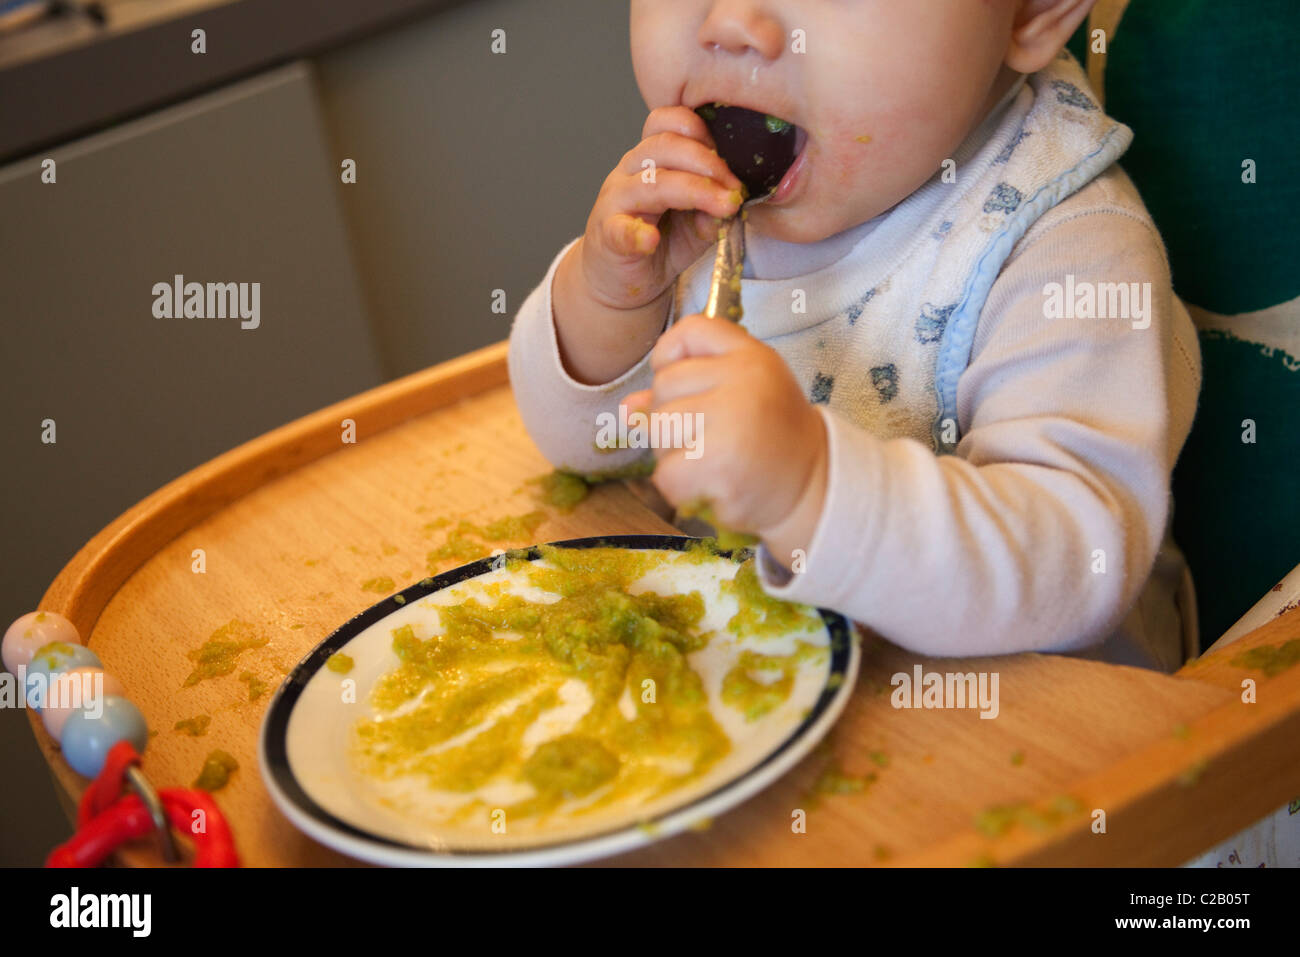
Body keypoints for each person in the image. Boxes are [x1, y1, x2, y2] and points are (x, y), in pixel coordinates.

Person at [507, 0, 1202, 671]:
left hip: (1035, 752)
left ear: (1031, 10)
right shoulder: (694, 221)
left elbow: (1076, 563)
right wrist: (613, 299)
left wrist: (812, 488)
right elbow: (588, 452)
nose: (731, 22)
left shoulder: (1071, 250)